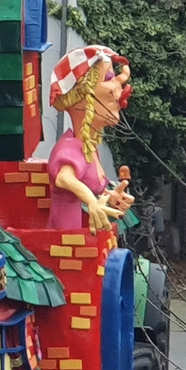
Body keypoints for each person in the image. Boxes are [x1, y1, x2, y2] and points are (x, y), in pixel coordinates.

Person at [45, 45, 135, 233]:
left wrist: (109, 197)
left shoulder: (89, 148)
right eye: (108, 78)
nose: (116, 88)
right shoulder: (70, 148)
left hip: (80, 237)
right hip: (65, 242)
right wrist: (91, 201)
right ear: (82, 96)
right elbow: (64, 179)